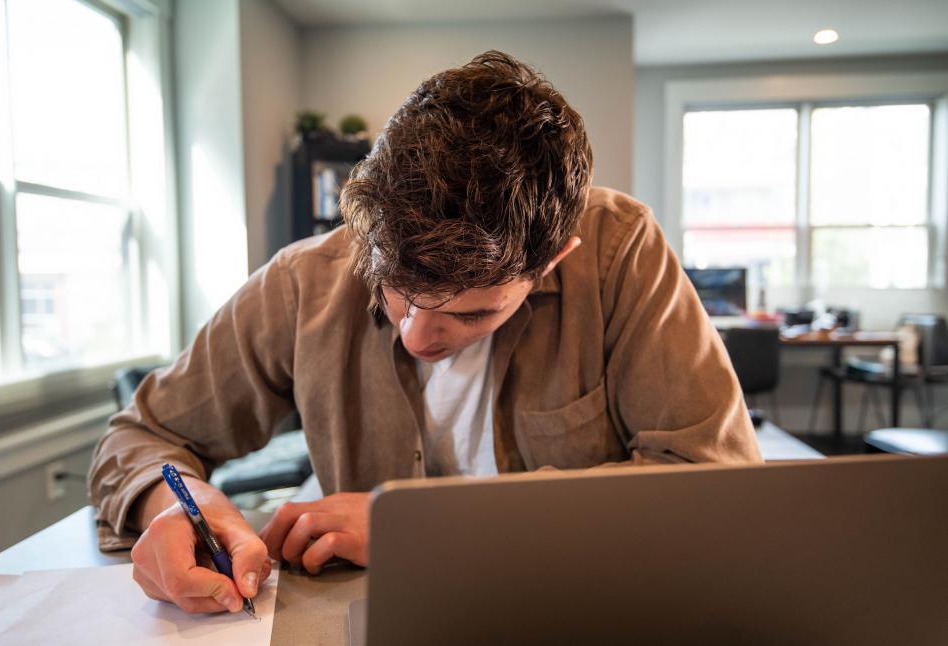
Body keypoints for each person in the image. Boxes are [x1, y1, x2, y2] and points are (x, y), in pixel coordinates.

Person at [88, 50, 761, 615]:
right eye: (394, 290)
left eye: (470, 314)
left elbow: (716, 486)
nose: (415, 337)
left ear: (553, 259)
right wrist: (182, 509)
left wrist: (426, 525)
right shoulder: (305, 280)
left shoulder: (621, 252)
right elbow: (141, 435)